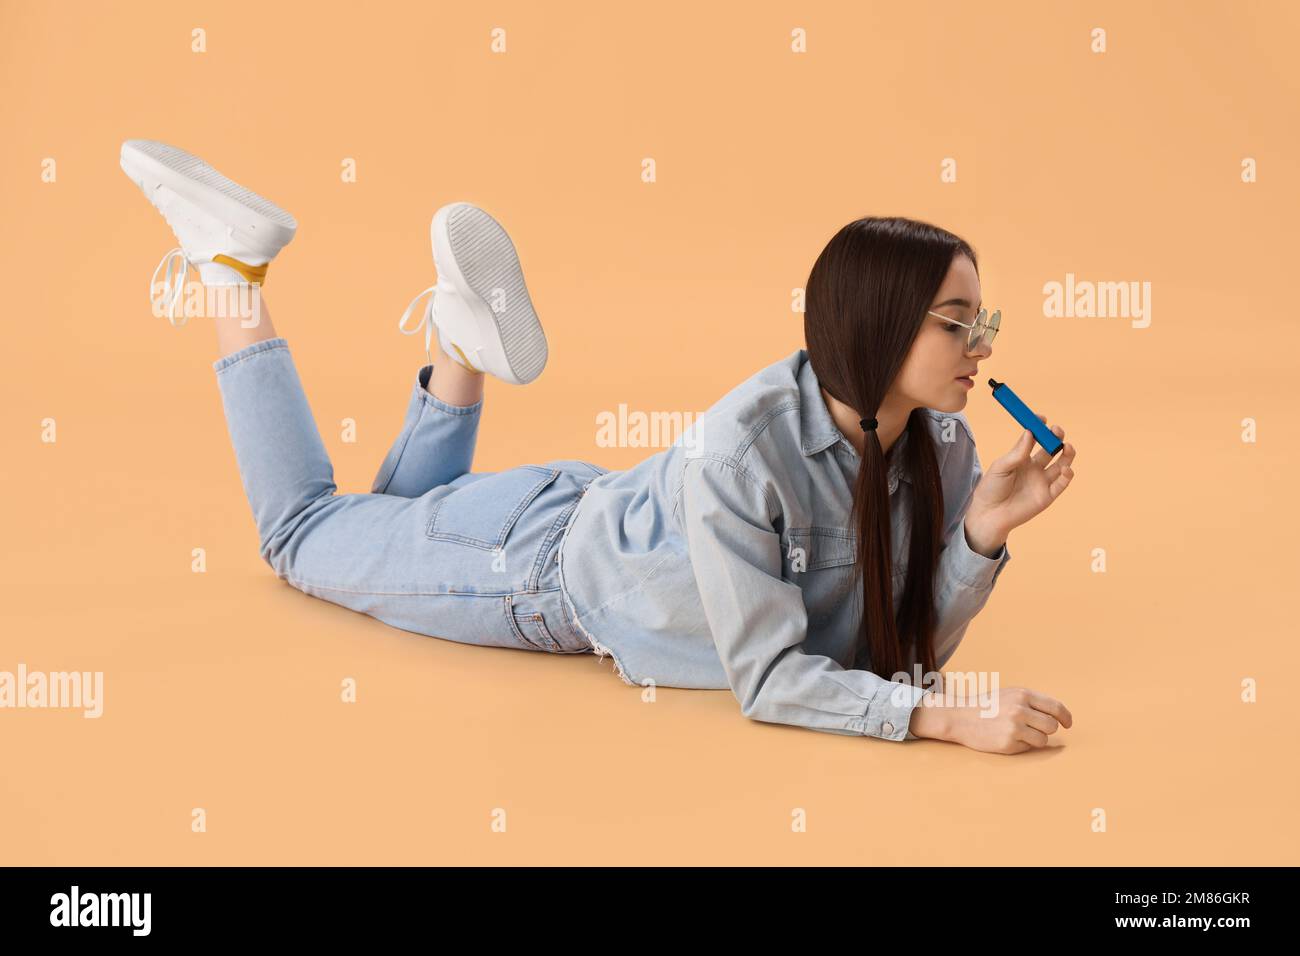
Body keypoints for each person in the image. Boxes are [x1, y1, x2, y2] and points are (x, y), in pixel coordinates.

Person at [120, 139, 1076, 755]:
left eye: (980, 318)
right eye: (959, 323)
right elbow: (772, 679)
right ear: (878, 327)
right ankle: (233, 270)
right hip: (528, 571)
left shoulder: (943, 445)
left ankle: (460, 346)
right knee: (301, 532)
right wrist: (943, 719)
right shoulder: (744, 452)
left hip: (583, 512)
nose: (983, 346)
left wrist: (980, 537)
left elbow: (897, 646)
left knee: (392, 522)